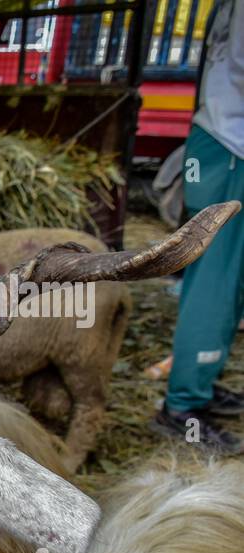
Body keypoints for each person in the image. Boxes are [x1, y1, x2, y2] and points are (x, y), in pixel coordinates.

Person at [151, 0, 244, 454]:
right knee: (215, 281)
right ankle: (182, 407)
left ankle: (199, 384)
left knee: (227, 279)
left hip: (227, 143)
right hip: (231, 146)